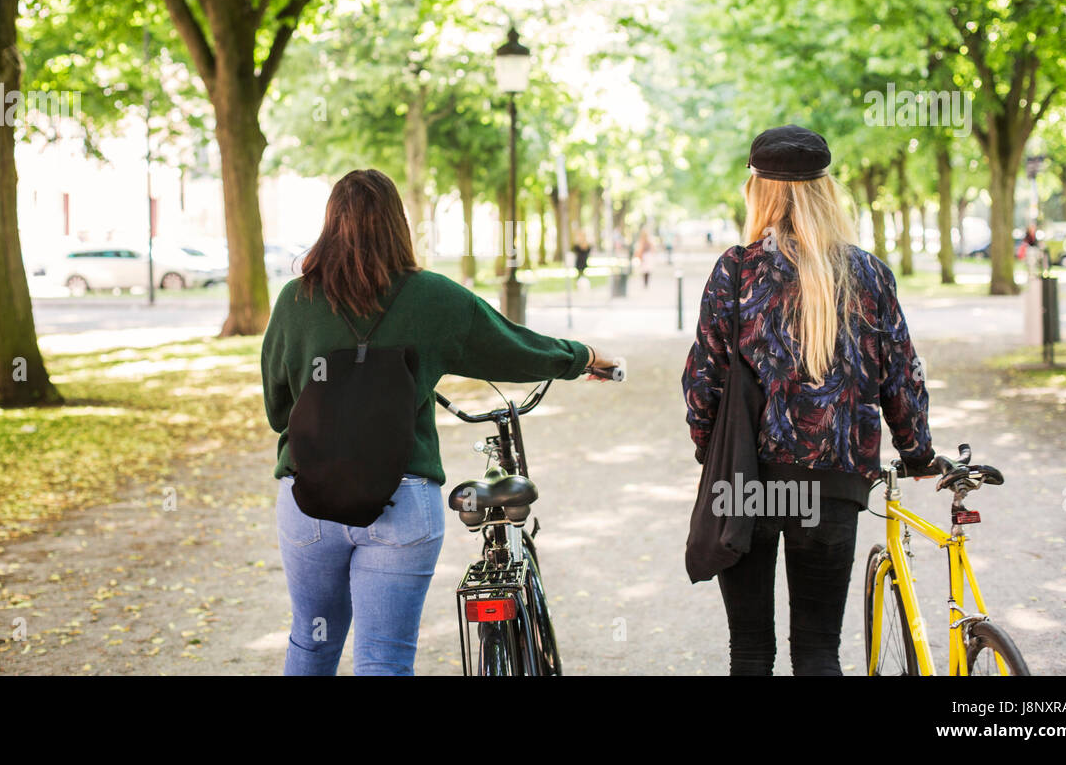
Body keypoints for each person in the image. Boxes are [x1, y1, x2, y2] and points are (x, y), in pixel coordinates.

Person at [261, 169, 618, 676]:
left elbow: (278, 409)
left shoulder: (296, 300)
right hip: (402, 502)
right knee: (384, 655)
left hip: (309, 501)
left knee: (312, 642)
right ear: (396, 225)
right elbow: (513, 348)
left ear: (330, 224)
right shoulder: (433, 298)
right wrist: (582, 357)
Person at [682, 125, 938, 676]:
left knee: (749, 651)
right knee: (819, 651)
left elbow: (703, 381)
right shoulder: (867, 274)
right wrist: (917, 454)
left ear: (759, 191)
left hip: (748, 481)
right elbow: (902, 377)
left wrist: (713, 452)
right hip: (832, 484)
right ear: (826, 190)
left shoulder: (736, 269)